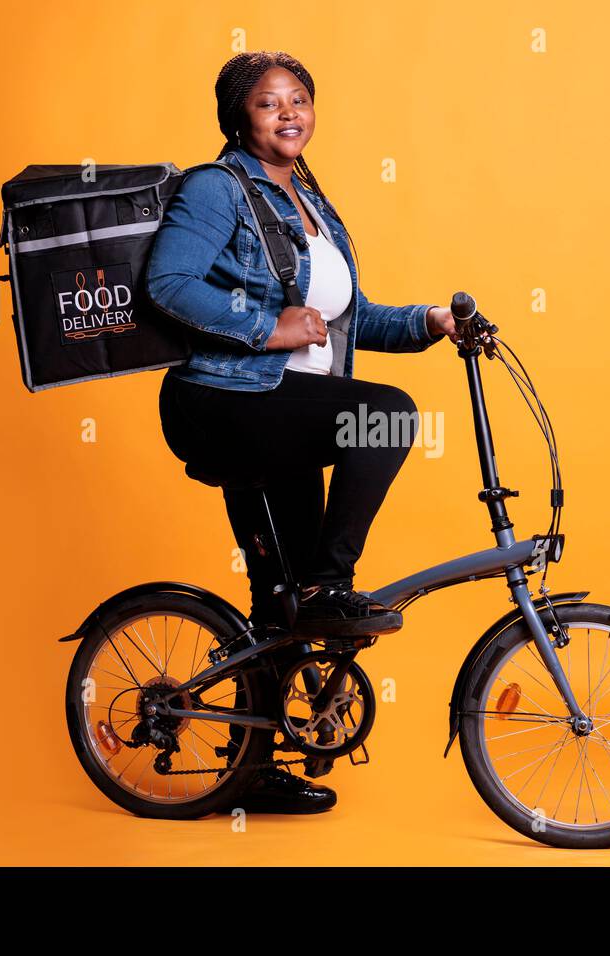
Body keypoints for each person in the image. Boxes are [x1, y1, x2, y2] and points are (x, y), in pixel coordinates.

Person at [146, 51, 459, 813]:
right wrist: (264, 328)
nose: (289, 113)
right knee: (383, 413)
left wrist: (431, 323)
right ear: (238, 119)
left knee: (279, 603)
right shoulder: (216, 188)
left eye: (300, 100)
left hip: (286, 406)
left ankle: (253, 768)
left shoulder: (308, 197)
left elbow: (345, 318)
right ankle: (331, 585)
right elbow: (168, 283)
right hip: (224, 401)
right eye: (268, 104)